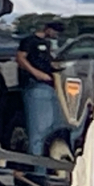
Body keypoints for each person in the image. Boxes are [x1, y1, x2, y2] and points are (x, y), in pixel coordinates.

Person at [16, 19, 63, 158]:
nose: (55, 35)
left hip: (50, 85)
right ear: (47, 29)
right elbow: (20, 58)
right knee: (39, 129)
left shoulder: (47, 44)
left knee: (51, 125)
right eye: (55, 31)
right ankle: (37, 165)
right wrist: (36, 73)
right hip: (34, 84)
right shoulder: (29, 41)